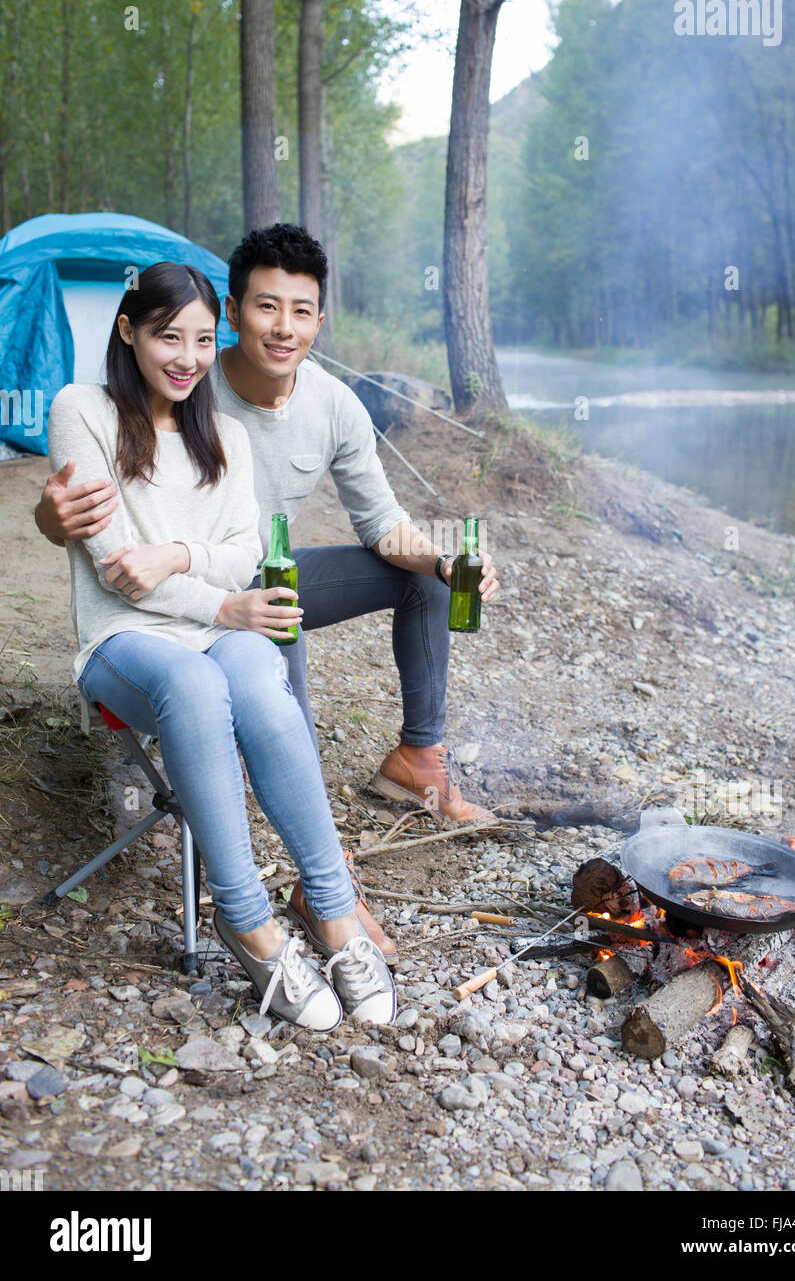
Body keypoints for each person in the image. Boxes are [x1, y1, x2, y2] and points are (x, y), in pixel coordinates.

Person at [35, 223, 501, 951]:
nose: (284, 328)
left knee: (427, 583)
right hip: (209, 598)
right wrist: (48, 515)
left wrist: (443, 562)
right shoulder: (189, 377)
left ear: (320, 318)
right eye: (266, 307)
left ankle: (418, 759)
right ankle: (320, 885)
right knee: (276, 675)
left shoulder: (333, 405)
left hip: (256, 571)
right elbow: (92, 519)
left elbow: (383, 524)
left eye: (301, 310)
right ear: (233, 310)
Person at [46, 260, 396, 1030]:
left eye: (204, 340)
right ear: (128, 331)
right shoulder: (83, 411)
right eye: (169, 336)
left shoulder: (225, 434)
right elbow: (117, 574)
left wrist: (180, 559)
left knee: (262, 683)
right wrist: (222, 603)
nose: (187, 358)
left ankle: (334, 914)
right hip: (122, 640)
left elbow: (243, 549)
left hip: (214, 627)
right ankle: (249, 923)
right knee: (199, 685)